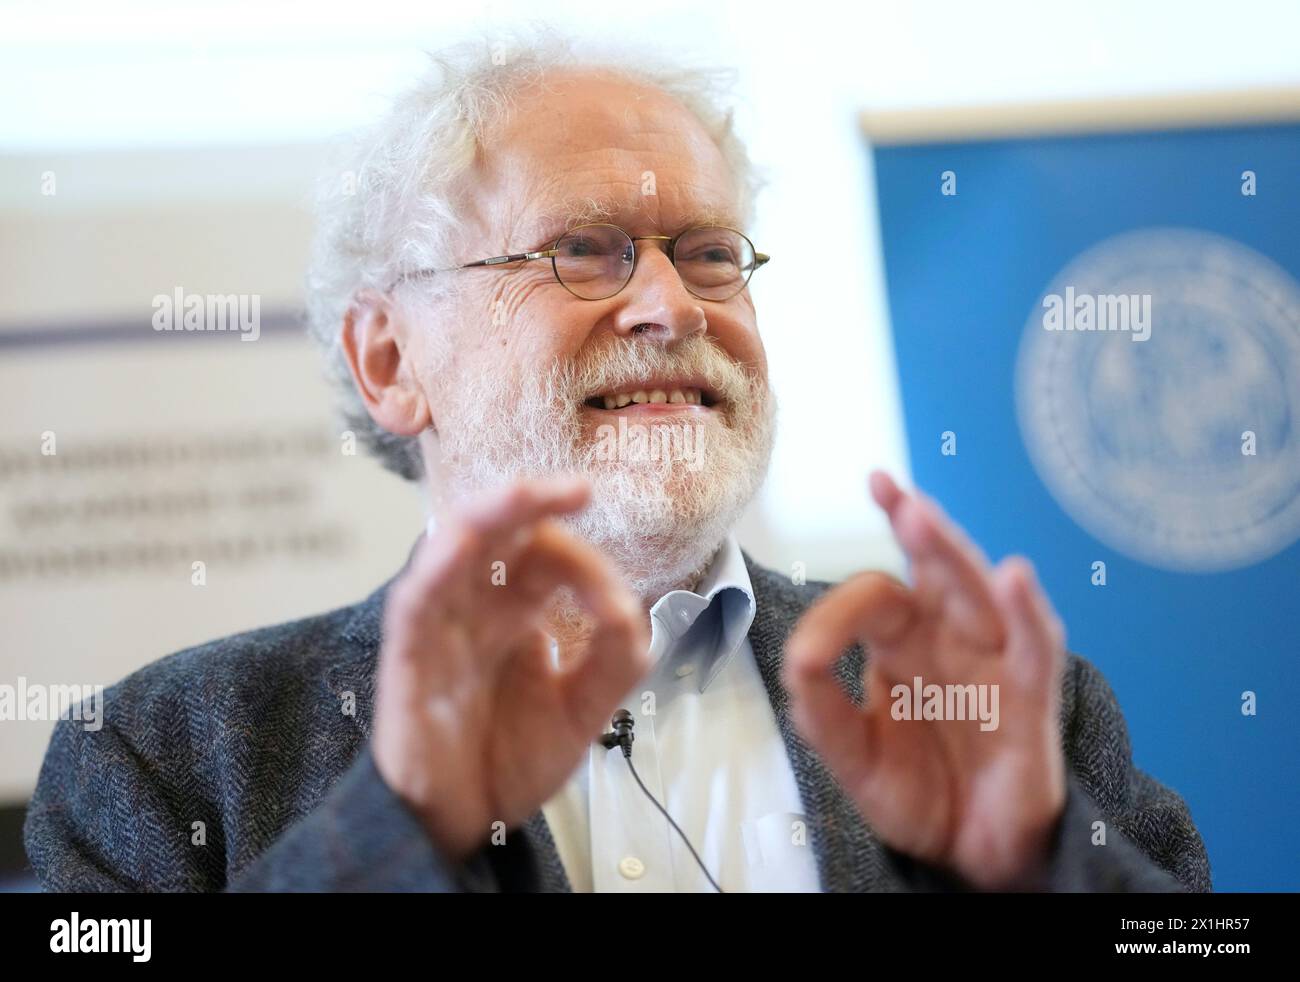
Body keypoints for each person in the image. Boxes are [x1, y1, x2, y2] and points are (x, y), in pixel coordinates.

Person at [24, 34, 1210, 893]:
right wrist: (399, 833)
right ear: (390, 358)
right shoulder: (160, 760)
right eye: (583, 250)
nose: (668, 306)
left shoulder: (1010, 711)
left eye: (706, 254)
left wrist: (1043, 871)